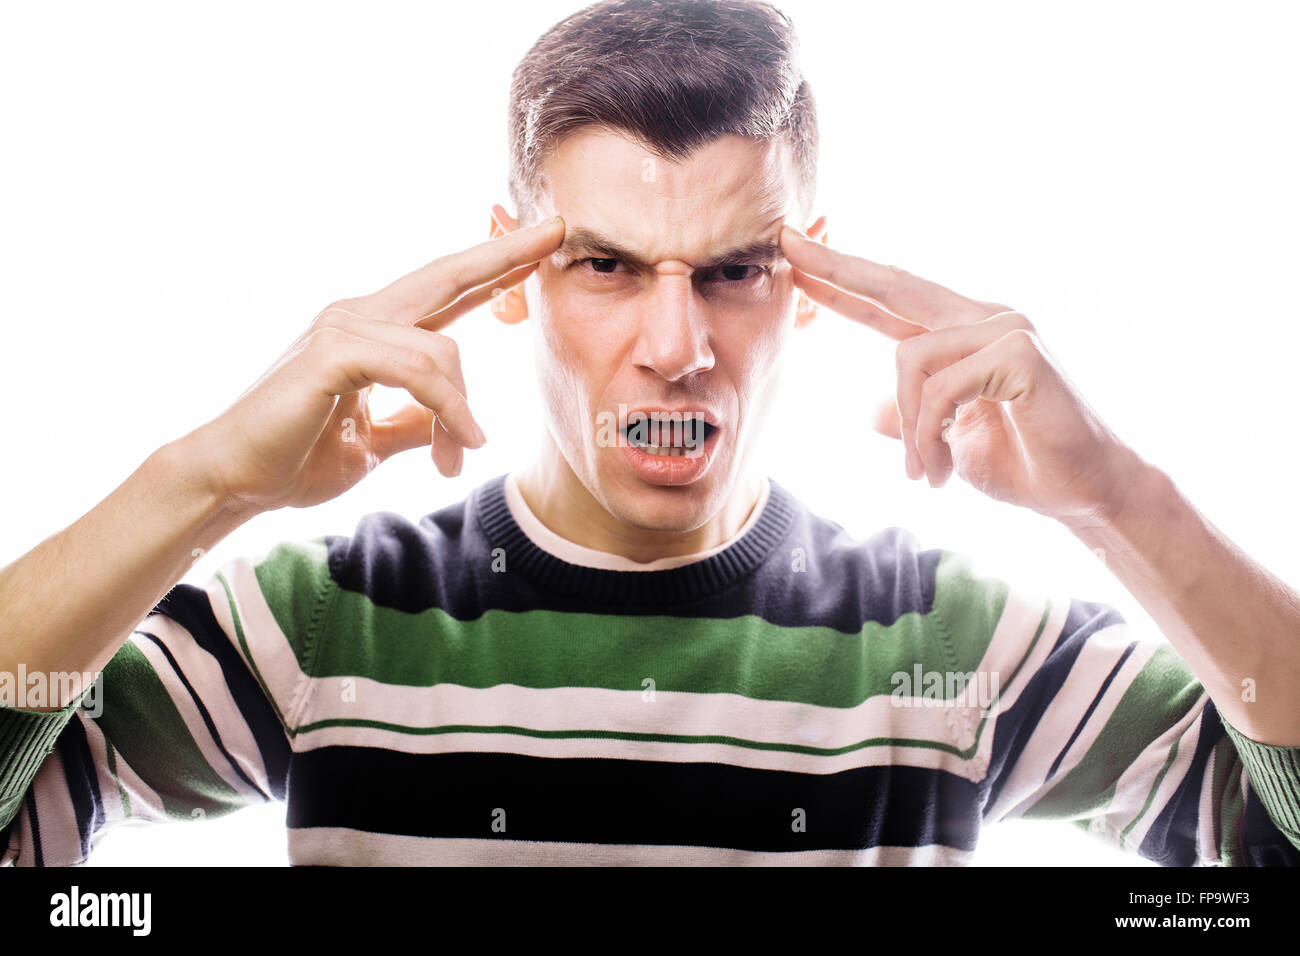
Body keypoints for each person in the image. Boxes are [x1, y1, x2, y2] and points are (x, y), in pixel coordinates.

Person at [2, 0, 1297, 867]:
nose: (676, 344)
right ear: (507, 271)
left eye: (734, 269)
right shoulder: (325, 620)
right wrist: (206, 482)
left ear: (811, 276)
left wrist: (1123, 500)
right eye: (606, 265)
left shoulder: (955, 645)